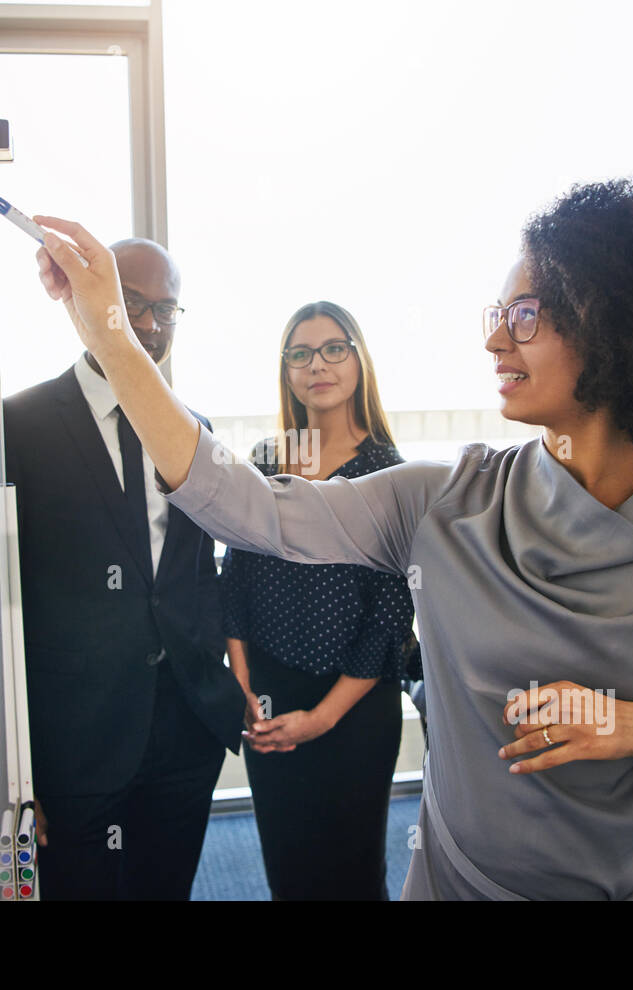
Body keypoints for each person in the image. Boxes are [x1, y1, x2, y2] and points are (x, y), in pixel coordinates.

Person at [31, 178, 633, 900]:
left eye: (524, 314)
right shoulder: (444, 499)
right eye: (499, 312)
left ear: (612, 324)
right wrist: (111, 333)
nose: (494, 339)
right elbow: (246, 507)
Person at [3, 237, 243, 900]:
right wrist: (20, 772)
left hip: (184, 733)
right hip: (76, 749)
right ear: (93, 300)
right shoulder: (18, 425)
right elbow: (7, 611)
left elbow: (196, 577)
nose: (150, 323)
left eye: (166, 309)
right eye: (133, 303)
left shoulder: (194, 429)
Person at [221, 301, 419, 900]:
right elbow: (236, 576)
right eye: (301, 353)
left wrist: (322, 719)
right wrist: (243, 682)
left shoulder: (390, 471)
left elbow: (391, 618)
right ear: (287, 371)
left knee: (353, 872)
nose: (318, 365)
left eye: (335, 348)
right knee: (288, 864)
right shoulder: (266, 461)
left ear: (358, 361)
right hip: (269, 692)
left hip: (354, 704)